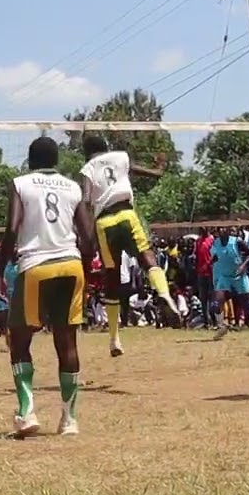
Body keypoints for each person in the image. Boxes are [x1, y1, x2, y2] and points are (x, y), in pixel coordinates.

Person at [0, 136, 96, 437]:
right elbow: (88, 237)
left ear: (30, 161)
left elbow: (12, 229)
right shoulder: (73, 187)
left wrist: (0, 272)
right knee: (67, 343)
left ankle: (26, 412)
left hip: (36, 265)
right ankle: (69, 419)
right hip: (70, 265)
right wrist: (84, 270)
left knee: (19, 339)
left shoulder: (20, 183)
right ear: (56, 161)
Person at [78, 135, 177, 357]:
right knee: (147, 257)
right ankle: (164, 294)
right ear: (106, 146)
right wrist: (158, 169)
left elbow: (85, 200)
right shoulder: (120, 156)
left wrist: (86, 236)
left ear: (87, 152)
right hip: (127, 214)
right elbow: (139, 170)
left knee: (110, 279)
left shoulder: (87, 168)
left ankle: (114, 339)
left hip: (104, 222)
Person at [210, 228, 249, 342]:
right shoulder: (216, 243)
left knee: (248, 304)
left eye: (224, 228)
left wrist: (244, 265)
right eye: (220, 229)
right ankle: (222, 327)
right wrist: (213, 261)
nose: (222, 230)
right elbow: (215, 256)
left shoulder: (237, 242)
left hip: (239, 277)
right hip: (225, 277)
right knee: (216, 303)